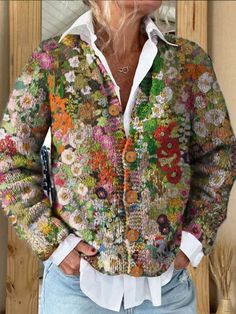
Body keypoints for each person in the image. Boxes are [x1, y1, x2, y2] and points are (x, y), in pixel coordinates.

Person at [0, 1, 235, 313]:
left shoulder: (188, 62)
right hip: (78, 291)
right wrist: (53, 243)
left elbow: (217, 155)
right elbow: (11, 158)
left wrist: (193, 242)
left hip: (167, 291)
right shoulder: (54, 60)